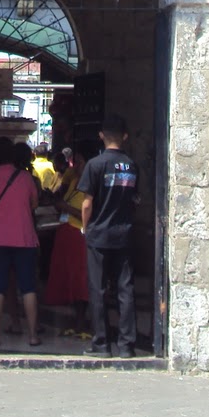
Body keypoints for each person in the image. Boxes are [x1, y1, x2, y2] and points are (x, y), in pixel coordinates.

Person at [80, 115, 140, 358]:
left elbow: (87, 204)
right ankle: (127, 345)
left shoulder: (94, 165)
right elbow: (137, 200)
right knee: (125, 290)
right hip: (123, 234)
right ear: (125, 136)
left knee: (98, 290)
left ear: (101, 135)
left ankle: (102, 344)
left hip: (99, 235)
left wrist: (86, 228)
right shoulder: (132, 165)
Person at [0, 135, 42, 348]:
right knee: (28, 287)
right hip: (24, 238)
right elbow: (34, 204)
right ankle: (33, 336)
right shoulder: (25, 178)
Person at [42, 144, 89, 337]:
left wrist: (65, 207)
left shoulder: (91, 184)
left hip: (78, 234)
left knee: (80, 279)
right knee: (68, 278)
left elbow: (87, 215)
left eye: (79, 161)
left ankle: (82, 323)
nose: (75, 165)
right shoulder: (75, 180)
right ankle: (75, 322)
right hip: (66, 232)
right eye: (74, 161)